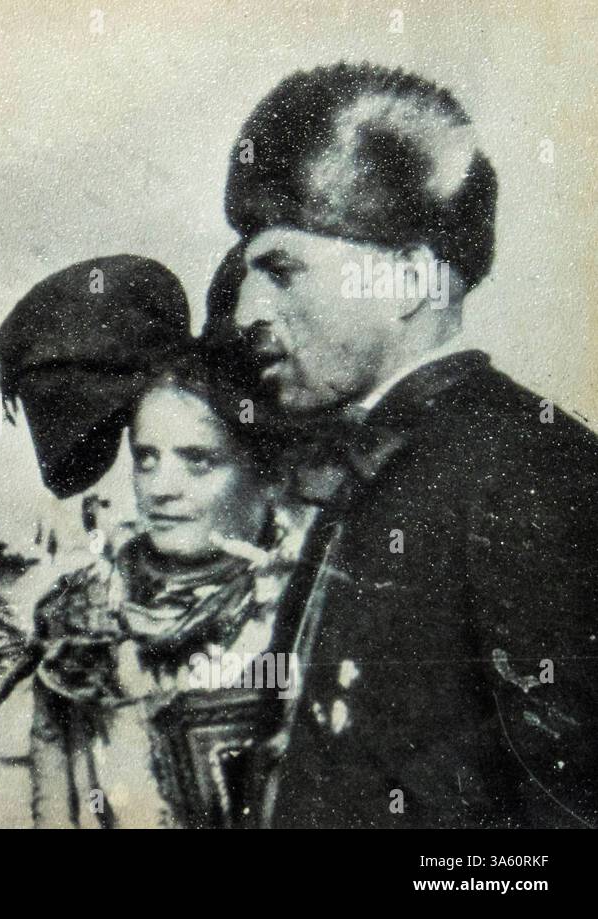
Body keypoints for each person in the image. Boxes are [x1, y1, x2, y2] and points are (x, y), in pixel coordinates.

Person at [224, 62, 598, 827]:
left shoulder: (530, 470)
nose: (246, 309)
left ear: (409, 278)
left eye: (282, 269)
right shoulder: (378, 467)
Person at [0, 258, 295, 828]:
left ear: (265, 472)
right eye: (147, 459)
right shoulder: (82, 613)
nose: (162, 488)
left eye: (198, 461)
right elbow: (54, 807)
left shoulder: (302, 609)